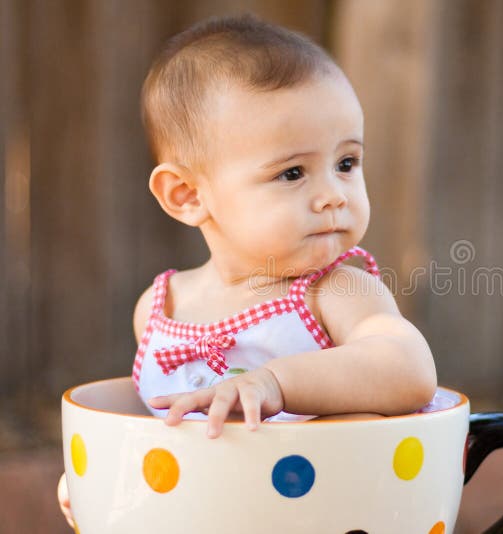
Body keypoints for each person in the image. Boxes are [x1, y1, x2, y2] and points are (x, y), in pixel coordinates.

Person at [58, 14, 436, 528]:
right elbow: (158, 430)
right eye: (292, 173)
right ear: (187, 195)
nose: (333, 196)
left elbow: (408, 369)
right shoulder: (159, 310)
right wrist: (101, 480)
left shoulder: (333, 290)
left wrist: (275, 382)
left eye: (346, 163)